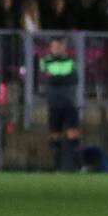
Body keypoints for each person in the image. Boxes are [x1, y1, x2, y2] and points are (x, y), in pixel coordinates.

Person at [40, 37, 81, 171]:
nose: (57, 49)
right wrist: (63, 78)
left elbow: (74, 79)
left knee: (73, 134)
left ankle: (76, 167)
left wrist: (56, 78)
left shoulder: (70, 61)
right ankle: (56, 167)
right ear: (51, 48)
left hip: (70, 103)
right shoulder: (45, 61)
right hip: (54, 104)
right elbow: (47, 79)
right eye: (55, 47)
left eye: (60, 46)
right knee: (55, 136)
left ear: (64, 47)